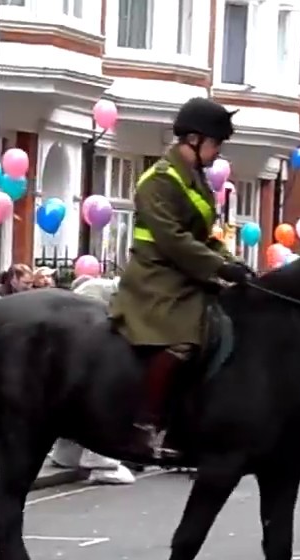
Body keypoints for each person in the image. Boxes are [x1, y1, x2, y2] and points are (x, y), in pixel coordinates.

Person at [107, 96, 254, 457]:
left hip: (186, 274)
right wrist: (218, 267)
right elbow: (173, 239)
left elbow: (203, 237)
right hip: (156, 278)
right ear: (193, 139)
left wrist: (233, 263)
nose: (218, 151)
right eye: (215, 143)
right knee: (183, 341)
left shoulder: (195, 180)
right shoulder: (158, 180)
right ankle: (145, 424)